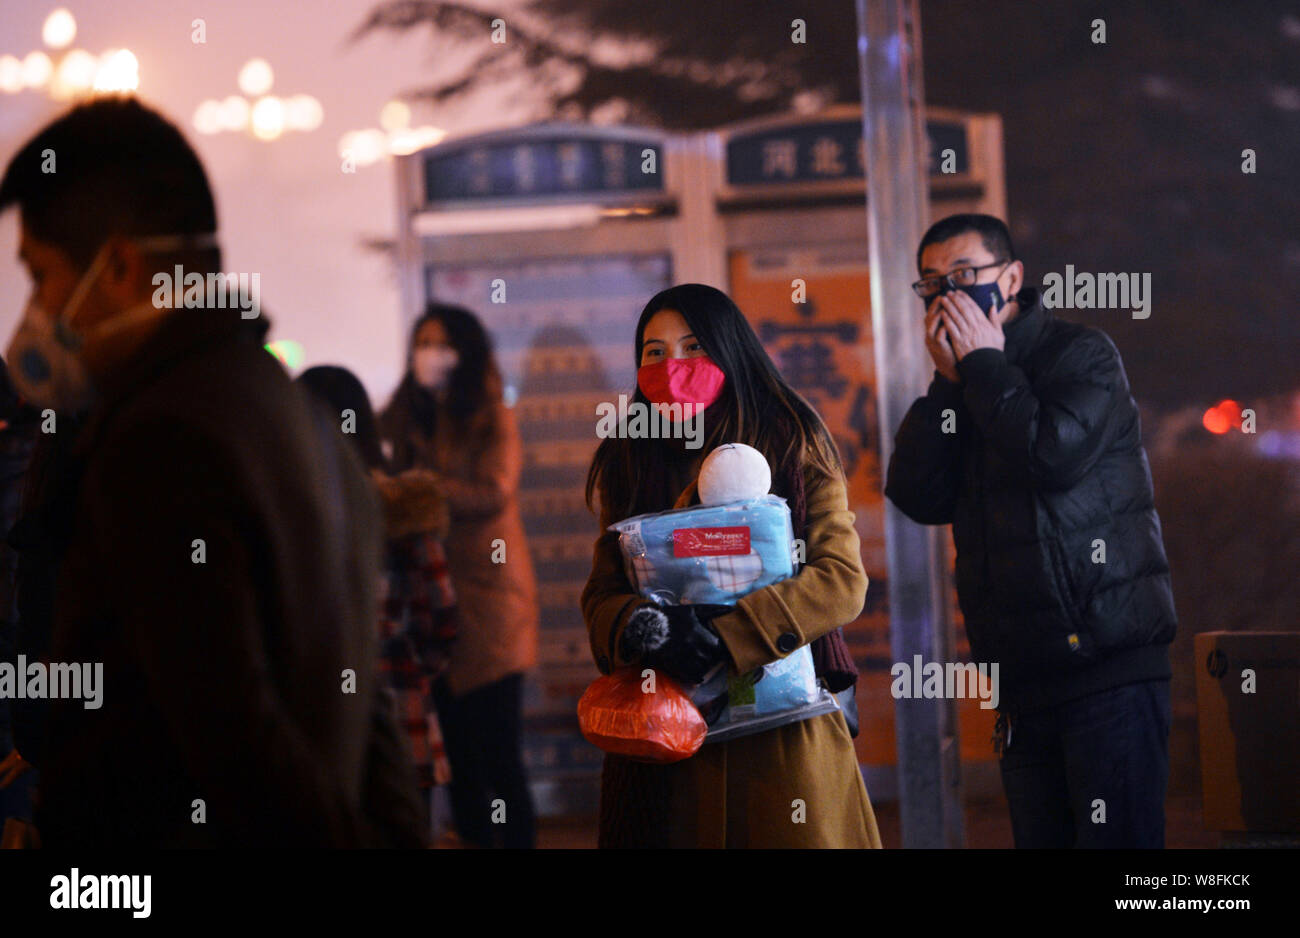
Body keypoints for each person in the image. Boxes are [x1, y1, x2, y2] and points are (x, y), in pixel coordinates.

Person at [0, 96, 423, 847]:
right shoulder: (296, 414)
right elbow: (367, 713)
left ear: (121, 267)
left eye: (42, 276)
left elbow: (235, 739)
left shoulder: (158, 441)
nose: (35, 311)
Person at [884, 213, 1177, 848]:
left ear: (1012, 277)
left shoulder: (1081, 354)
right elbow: (918, 494)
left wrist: (986, 366)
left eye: (965, 275)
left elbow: (1052, 454)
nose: (947, 295)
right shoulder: (964, 384)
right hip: (1023, 682)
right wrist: (945, 386)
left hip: (1107, 669)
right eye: (931, 284)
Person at [582, 283, 882, 848]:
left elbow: (840, 578)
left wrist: (730, 635)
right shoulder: (631, 453)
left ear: (730, 348)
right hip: (664, 737)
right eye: (654, 352)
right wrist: (646, 631)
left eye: (693, 347)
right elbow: (602, 592)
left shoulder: (791, 437)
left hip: (781, 735)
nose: (672, 366)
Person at [379, 304, 539, 849]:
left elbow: (495, 489)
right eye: (422, 342)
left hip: (491, 604)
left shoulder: (491, 413)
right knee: (459, 763)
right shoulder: (402, 411)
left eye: (442, 343)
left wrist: (419, 490)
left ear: (467, 351)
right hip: (428, 604)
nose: (430, 353)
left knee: (499, 755)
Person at [296, 364, 458, 842]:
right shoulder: (405, 508)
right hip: (402, 715)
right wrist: (406, 667)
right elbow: (442, 621)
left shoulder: (291, 514)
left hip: (315, 727)